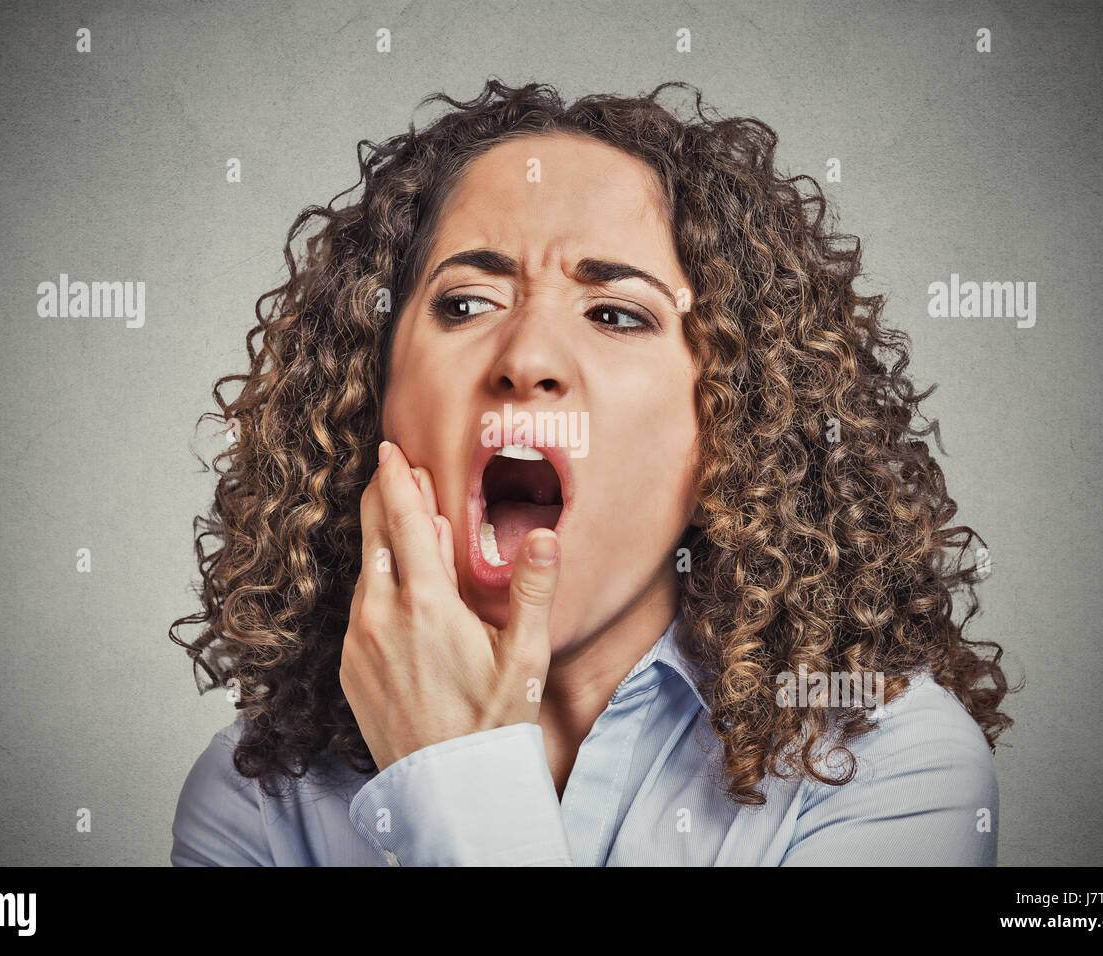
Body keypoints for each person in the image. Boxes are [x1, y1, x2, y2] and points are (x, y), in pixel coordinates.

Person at [167, 79, 1013, 866]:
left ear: (731, 419)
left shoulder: (888, 769)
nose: (527, 357)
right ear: (374, 393)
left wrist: (455, 781)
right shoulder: (260, 807)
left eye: (615, 313)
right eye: (464, 304)